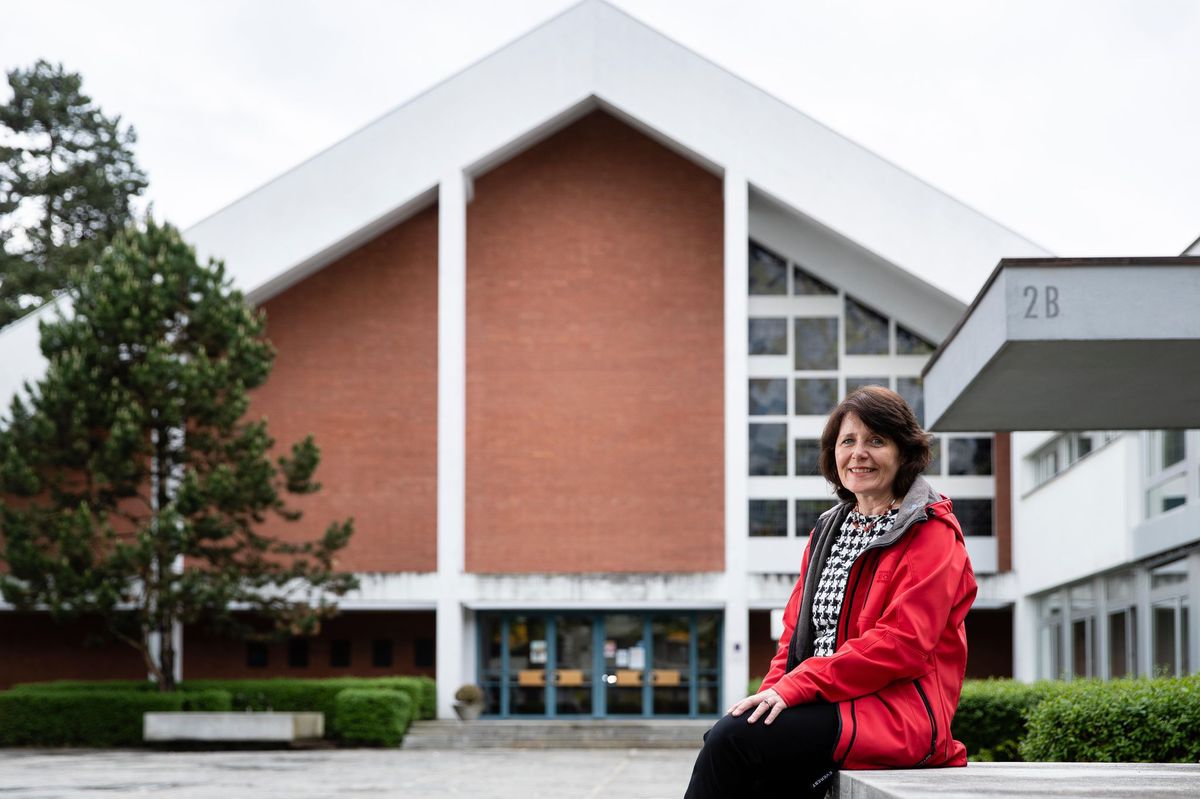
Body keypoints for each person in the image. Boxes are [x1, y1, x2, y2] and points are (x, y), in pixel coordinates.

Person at [684, 385, 977, 799]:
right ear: (833, 454)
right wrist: (771, 694)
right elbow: (793, 636)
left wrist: (797, 687)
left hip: (895, 711)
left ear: (904, 452)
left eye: (877, 440)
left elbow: (902, 644)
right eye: (848, 441)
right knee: (742, 738)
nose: (859, 453)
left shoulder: (930, 533)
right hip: (831, 702)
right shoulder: (829, 530)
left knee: (731, 743)